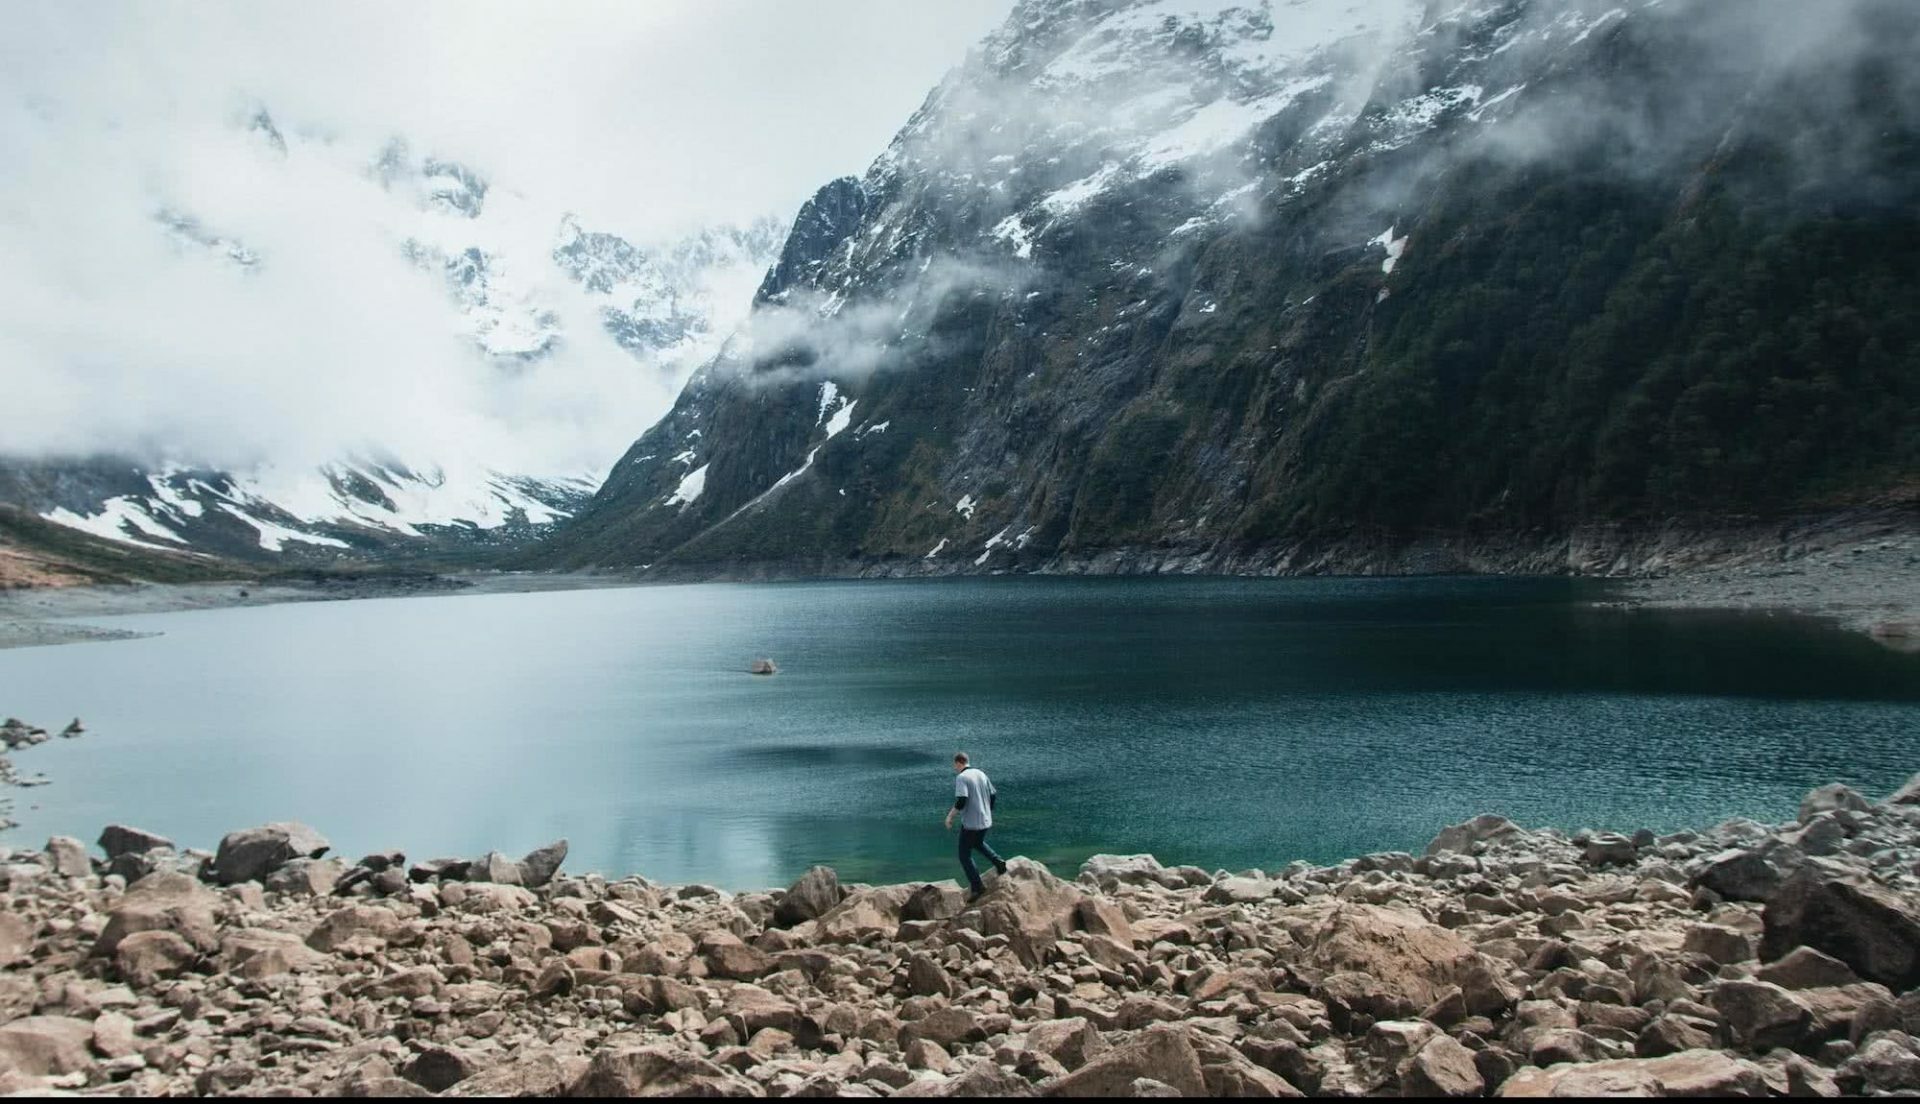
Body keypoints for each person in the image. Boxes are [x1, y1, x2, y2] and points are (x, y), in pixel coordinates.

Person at [945, 752, 1007, 901]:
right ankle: (998, 861)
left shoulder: (962, 778)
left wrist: (950, 816)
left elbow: (961, 800)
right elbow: (993, 794)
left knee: (964, 855)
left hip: (971, 823)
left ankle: (977, 887)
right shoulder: (980, 773)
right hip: (985, 820)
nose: (955, 768)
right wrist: (987, 810)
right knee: (977, 843)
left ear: (959, 763)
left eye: (955, 765)